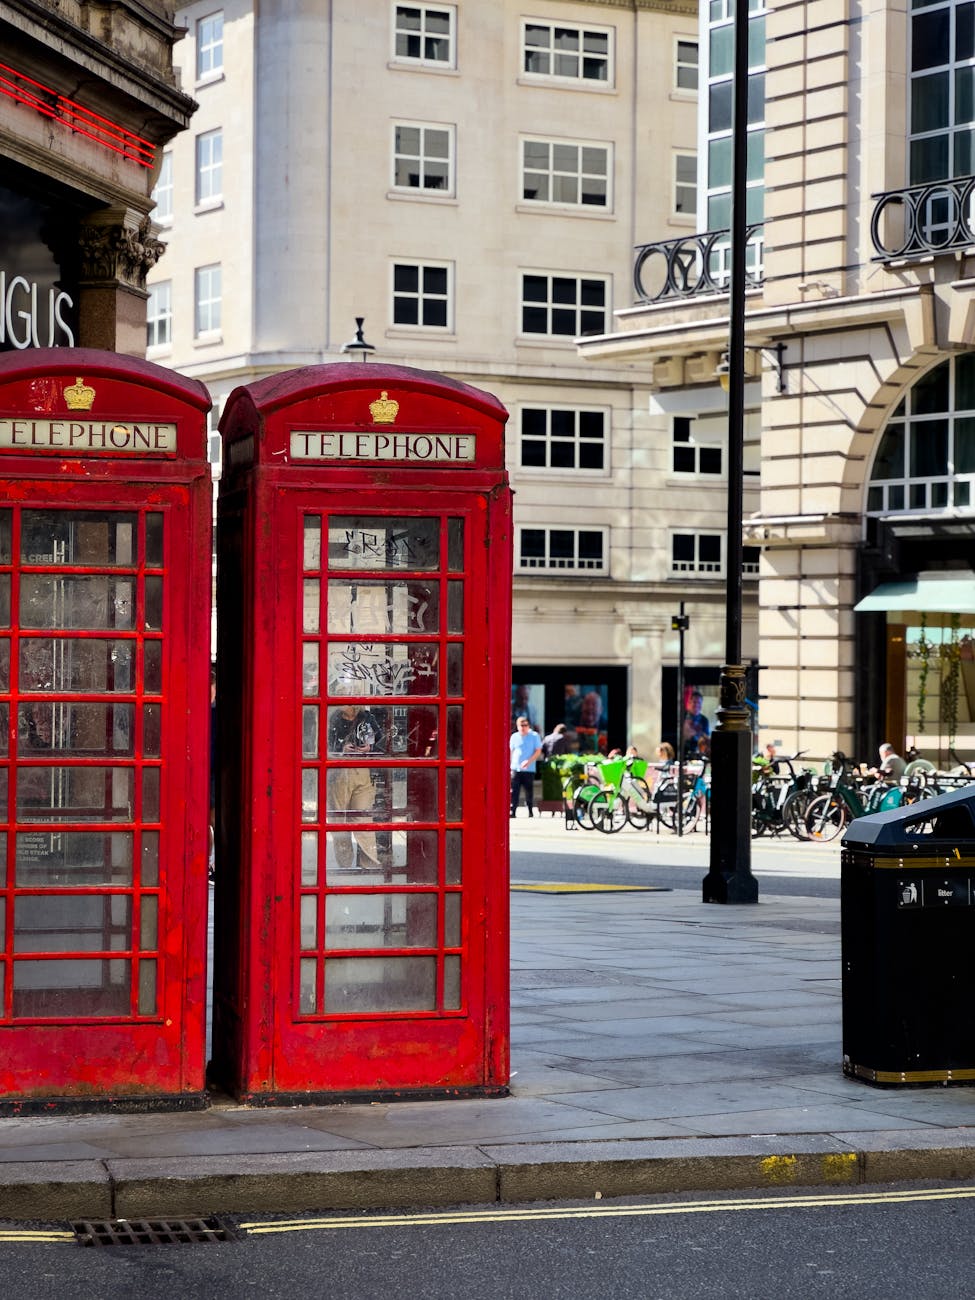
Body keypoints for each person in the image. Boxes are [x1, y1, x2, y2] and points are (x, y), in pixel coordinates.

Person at [327, 704, 386, 868]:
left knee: (363, 818)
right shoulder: (334, 719)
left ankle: (369, 863)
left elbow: (382, 742)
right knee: (339, 819)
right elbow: (322, 745)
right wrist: (341, 749)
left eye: (344, 697)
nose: (339, 702)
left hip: (362, 771)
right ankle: (344, 864)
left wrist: (370, 747)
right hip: (339, 772)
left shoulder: (368, 718)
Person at [510, 715, 543, 818]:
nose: (524, 727)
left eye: (526, 725)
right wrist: (509, 766)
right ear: (517, 726)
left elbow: (538, 751)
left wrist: (529, 761)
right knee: (514, 791)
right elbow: (511, 751)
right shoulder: (514, 736)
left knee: (529, 791)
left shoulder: (534, 736)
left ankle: (530, 810)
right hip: (515, 768)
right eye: (521, 725)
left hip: (529, 769)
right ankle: (512, 811)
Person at [682, 691, 710, 757]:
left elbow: (706, 739)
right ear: (689, 703)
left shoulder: (704, 720)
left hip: (699, 754)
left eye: (699, 703)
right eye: (694, 702)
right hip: (683, 753)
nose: (696, 705)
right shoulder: (682, 717)